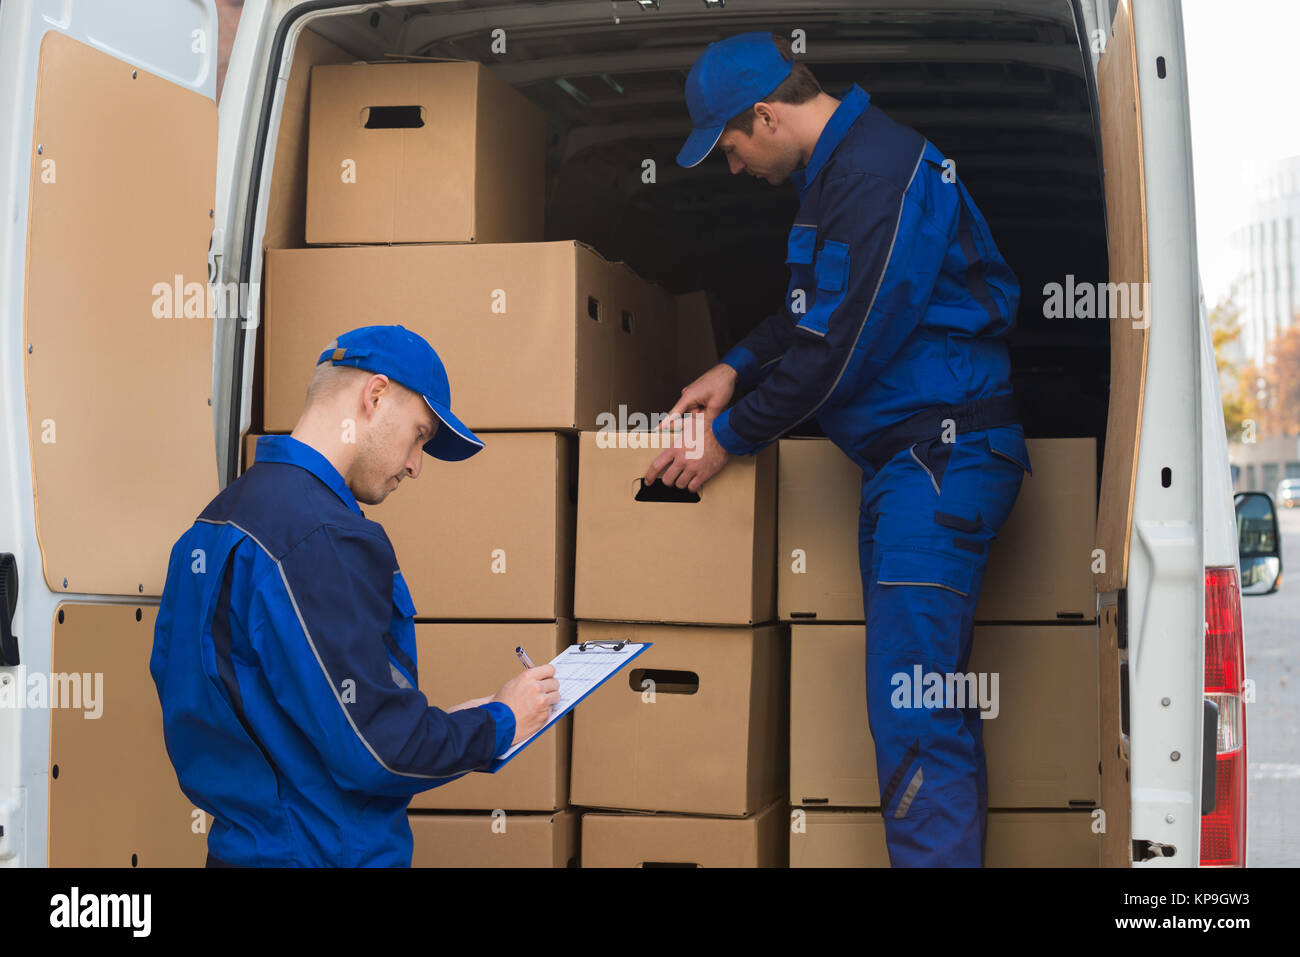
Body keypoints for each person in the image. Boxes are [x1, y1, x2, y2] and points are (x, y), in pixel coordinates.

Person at [646, 32, 1033, 867]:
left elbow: (837, 352)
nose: (733, 167)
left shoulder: (876, 173)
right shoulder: (841, 175)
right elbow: (806, 315)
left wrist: (727, 439)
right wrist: (732, 365)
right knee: (918, 700)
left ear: (765, 114)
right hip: (912, 467)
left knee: (914, 706)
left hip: (942, 461)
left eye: (730, 146)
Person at [150, 324, 559, 867]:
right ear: (375, 396)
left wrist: (440, 723)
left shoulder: (214, 524)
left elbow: (292, 717)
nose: (416, 464)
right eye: (419, 435)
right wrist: (500, 723)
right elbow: (376, 753)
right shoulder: (322, 536)